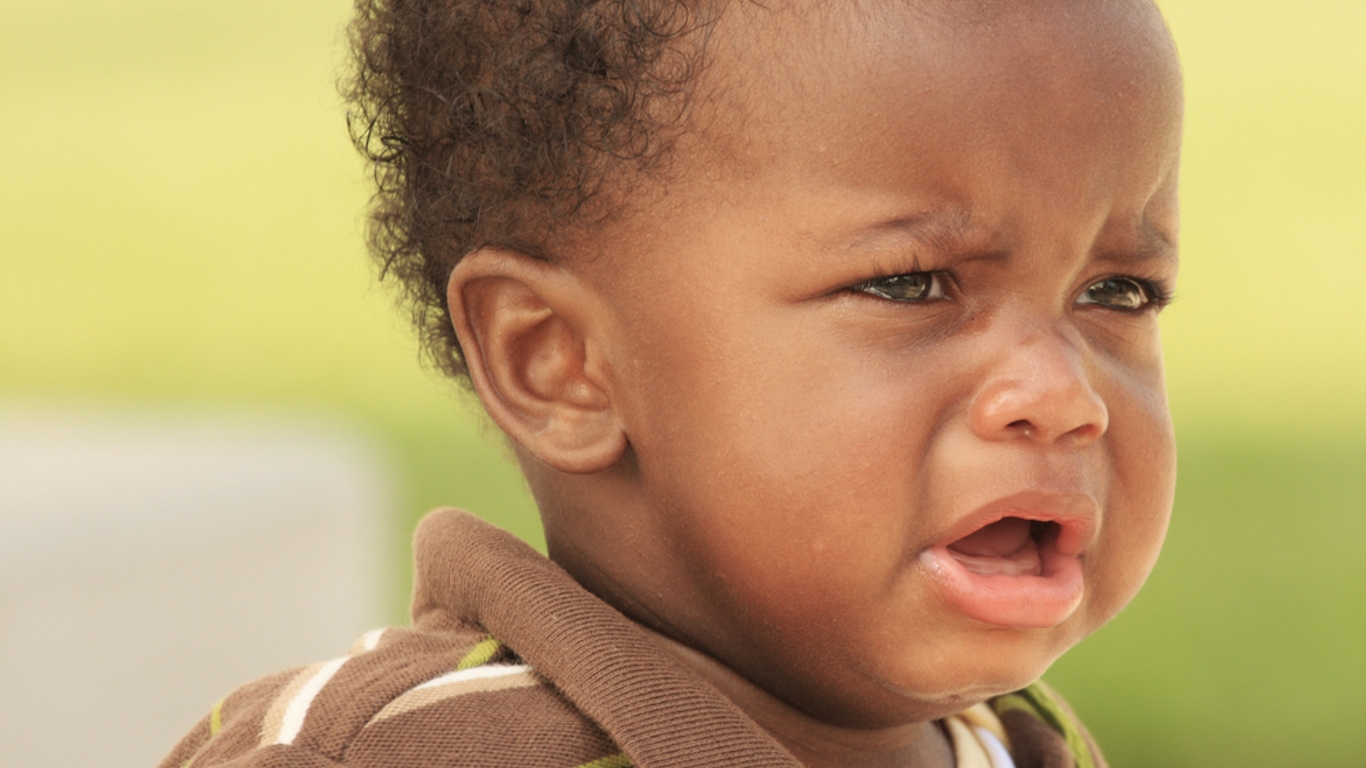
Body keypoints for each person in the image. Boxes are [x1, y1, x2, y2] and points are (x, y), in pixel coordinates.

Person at [161, 0, 1181, 765]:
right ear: (557, 363)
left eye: (1120, 292)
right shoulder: (414, 753)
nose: (1061, 391)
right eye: (910, 284)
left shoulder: (1018, 745)